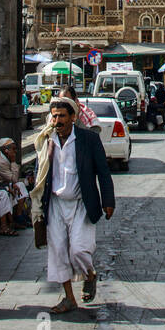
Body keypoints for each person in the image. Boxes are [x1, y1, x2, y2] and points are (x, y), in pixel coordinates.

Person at [30, 98, 115, 314]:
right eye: (54, 116)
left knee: (78, 250)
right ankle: (69, 298)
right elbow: (41, 173)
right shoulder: (47, 141)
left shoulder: (88, 140)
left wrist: (108, 201)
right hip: (56, 204)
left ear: (73, 118)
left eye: (62, 116)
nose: (57, 120)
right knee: (58, 252)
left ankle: (90, 275)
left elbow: (103, 172)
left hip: (81, 204)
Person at [0, 137, 32, 228]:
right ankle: (17, 217)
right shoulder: (1, 162)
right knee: (19, 185)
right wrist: (14, 161)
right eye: (13, 149)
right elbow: (13, 179)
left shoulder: (6, 158)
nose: (15, 152)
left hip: (8, 183)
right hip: (2, 185)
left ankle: (19, 214)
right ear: (6, 150)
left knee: (22, 184)